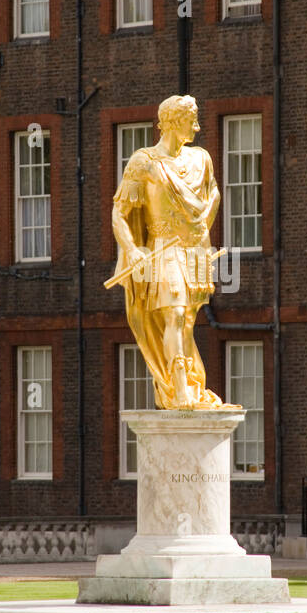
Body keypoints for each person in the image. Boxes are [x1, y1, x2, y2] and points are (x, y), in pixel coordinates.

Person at [110, 94, 233, 409]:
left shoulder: (201, 158)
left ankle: (190, 387)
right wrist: (132, 249)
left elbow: (214, 190)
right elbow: (120, 213)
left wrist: (205, 218)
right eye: (191, 120)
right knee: (175, 314)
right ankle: (179, 390)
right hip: (164, 249)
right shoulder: (145, 162)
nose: (197, 126)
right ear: (175, 122)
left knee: (188, 321)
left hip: (197, 250)